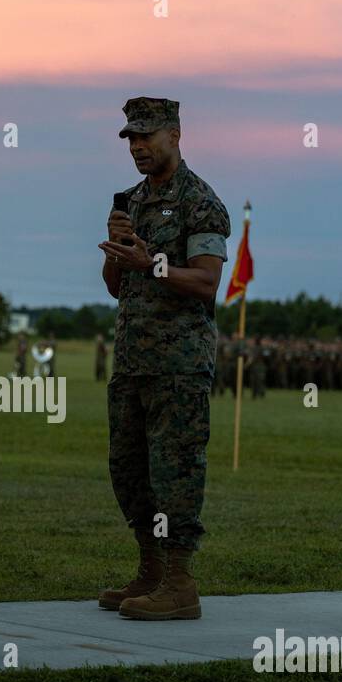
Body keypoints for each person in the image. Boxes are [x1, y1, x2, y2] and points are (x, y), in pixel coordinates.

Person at [97, 96, 230, 620]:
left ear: (175, 135)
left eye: (147, 135)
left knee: (175, 471)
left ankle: (180, 583)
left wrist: (150, 264)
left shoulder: (201, 202)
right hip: (132, 361)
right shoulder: (130, 201)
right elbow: (115, 285)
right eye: (130, 137)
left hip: (179, 365)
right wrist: (118, 251)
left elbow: (206, 281)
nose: (137, 146)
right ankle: (149, 569)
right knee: (129, 469)